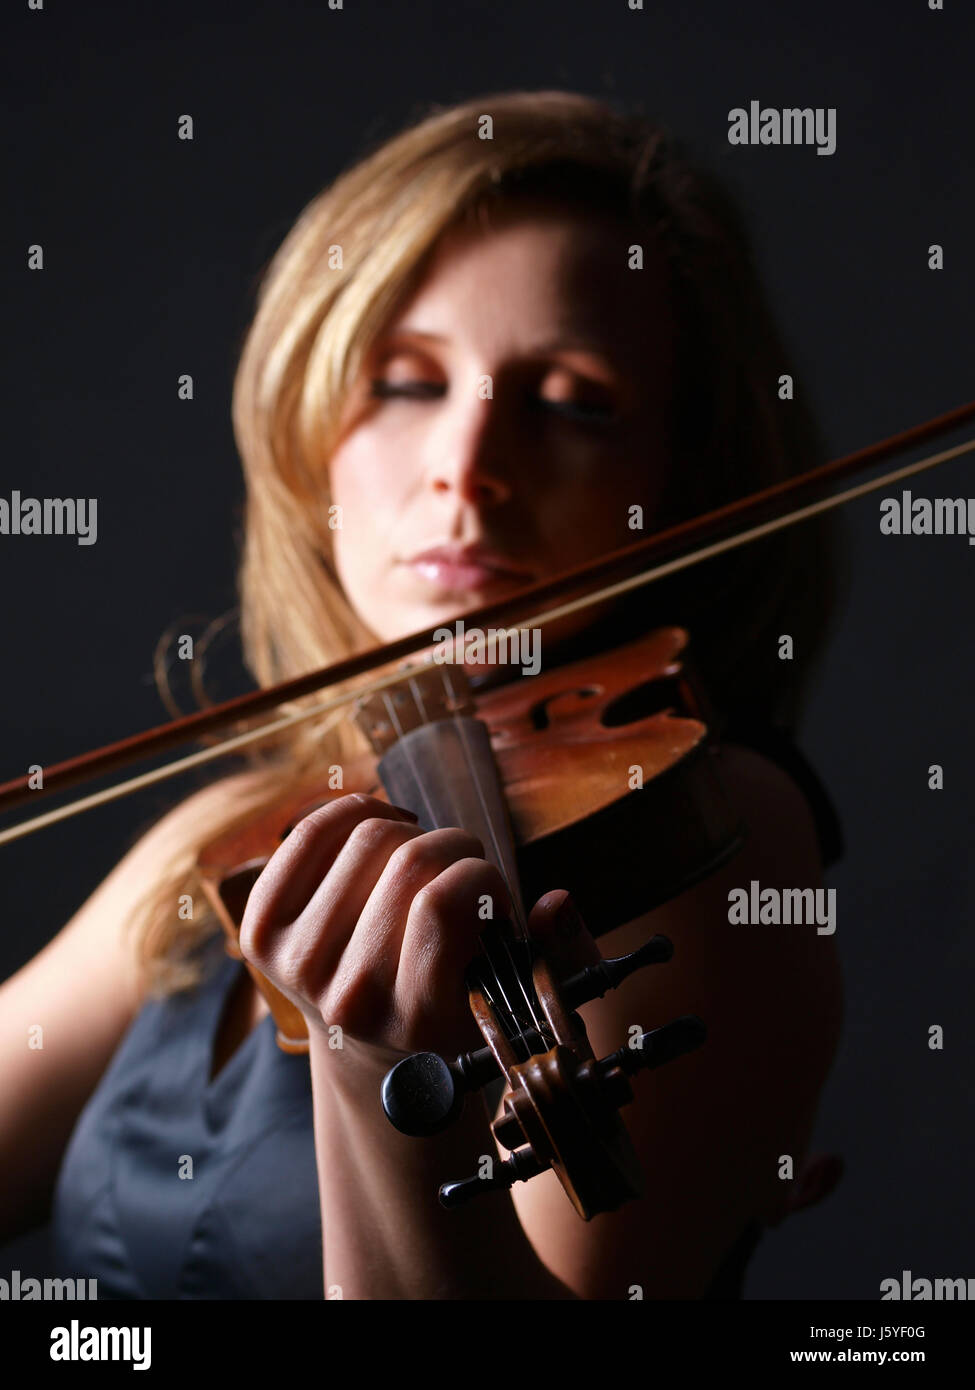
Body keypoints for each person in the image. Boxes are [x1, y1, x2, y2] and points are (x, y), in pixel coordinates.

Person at [0, 90, 844, 1300]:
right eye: (403, 383)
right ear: (309, 430)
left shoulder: (712, 824)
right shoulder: (228, 837)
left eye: (571, 401)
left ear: (684, 474)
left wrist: (380, 1084)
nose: (466, 468)